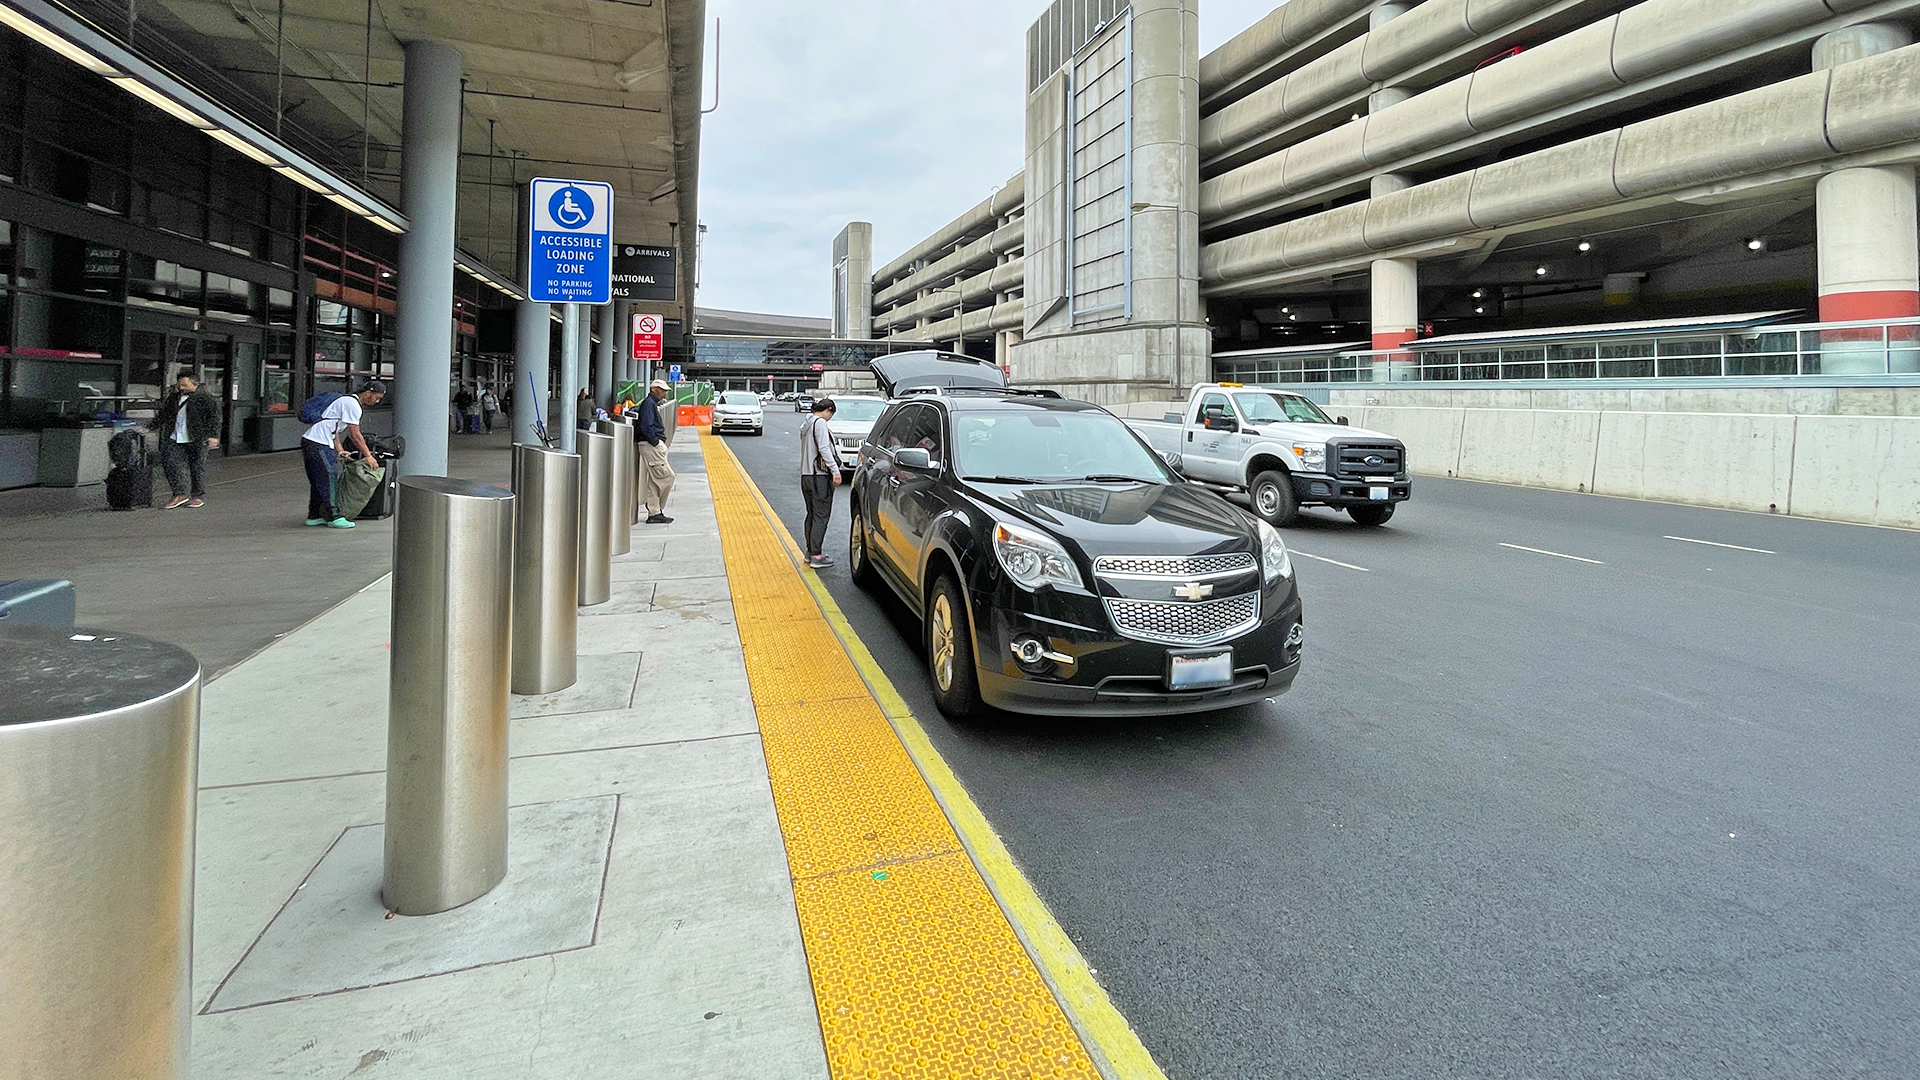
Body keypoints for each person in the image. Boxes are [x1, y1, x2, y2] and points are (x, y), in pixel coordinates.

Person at [302, 380, 384, 529]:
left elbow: (333, 430)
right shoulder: (352, 405)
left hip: (311, 441)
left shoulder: (345, 401)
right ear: (367, 393)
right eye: (376, 397)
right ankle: (335, 516)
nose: (377, 401)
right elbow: (356, 434)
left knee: (318, 480)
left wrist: (339, 449)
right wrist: (368, 456)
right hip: (318, 443)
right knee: (330, 478)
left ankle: (314, 515)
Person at [150, 372, 219, 509]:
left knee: (197, 467)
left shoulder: (206, 398)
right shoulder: (174, 398)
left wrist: (213, 436)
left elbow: (214, 418)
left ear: (195, 384)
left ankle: (197, 495)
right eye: (179, 384)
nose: (181, 388)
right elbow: (164, 415)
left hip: (197, 437)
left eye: (184, 385)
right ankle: (179, 493)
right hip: (175, 436)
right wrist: (150, 427)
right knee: (170, 462)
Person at [799, 397, 840, 568]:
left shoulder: (806, 424)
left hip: (806, 476)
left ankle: (810, 552)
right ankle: (817, 555)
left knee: (812, 514)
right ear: (828, 410)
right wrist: (835, 471)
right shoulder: (820, 423)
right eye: (831, 414)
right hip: (819, 477)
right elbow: (823, 448)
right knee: (821, 515)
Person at [635, 379, 676, 524]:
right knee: (667, 477)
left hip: (651, 444)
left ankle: (655, 512)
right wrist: (656, 442)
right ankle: (656, 508)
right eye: (662, 390)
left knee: (654, 480)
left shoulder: (650, 404)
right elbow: (646, 426)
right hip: (651, 445)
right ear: (654, 389)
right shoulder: (649, 404)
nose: (664, 393)